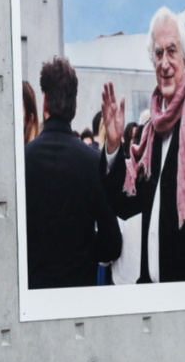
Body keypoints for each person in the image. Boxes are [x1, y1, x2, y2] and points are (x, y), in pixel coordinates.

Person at [99, 7, 185, 283]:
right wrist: (115, 147)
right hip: (151, 294)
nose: (165, 62)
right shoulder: (148, 132)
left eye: (172, 51)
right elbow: (126, 205)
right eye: (159, 52)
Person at [24, 58, 123, 288]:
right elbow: (113, 244)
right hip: (79, 295)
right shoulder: (92, 162)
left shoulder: (23, 160)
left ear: (44, 101)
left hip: (35, 297)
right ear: (75, 105)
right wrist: (83, 247)